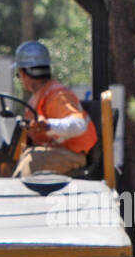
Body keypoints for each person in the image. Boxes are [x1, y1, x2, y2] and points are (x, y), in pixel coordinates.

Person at [11, 40, 98, 176]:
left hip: (70, 154)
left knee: (29, 164)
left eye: (19, 75)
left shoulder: (57, 95)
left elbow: (79, 124)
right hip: (53, 151)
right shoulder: (38, 97)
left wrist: (49, 125)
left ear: (23, 73)